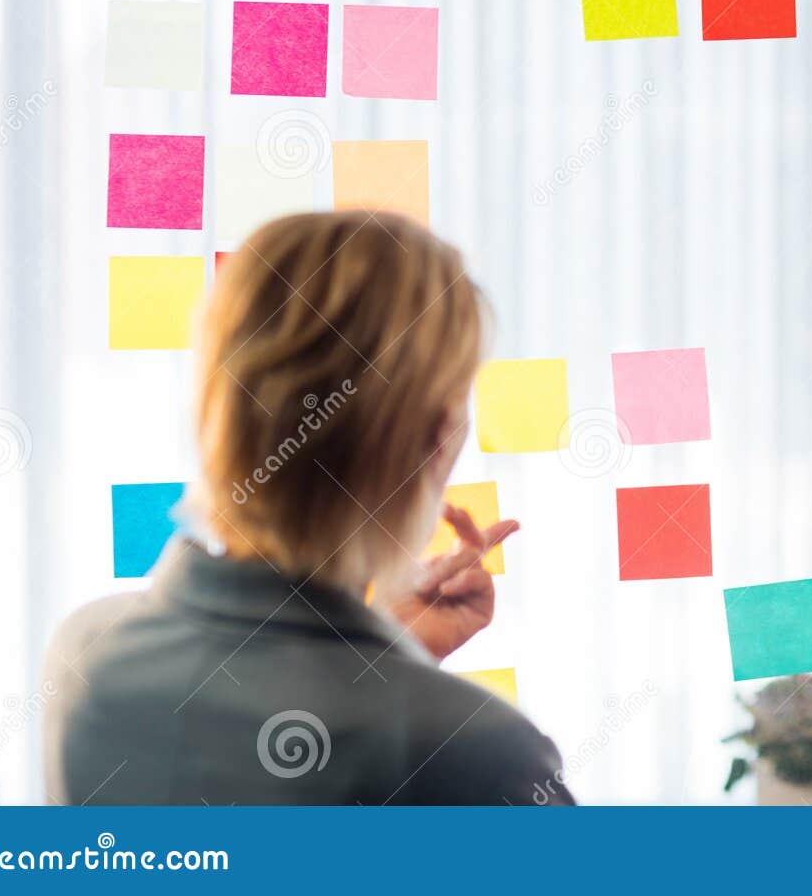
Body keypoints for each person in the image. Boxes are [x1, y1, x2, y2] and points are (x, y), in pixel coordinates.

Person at [44, 211, 570, 805]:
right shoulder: (481, 754)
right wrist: (386, 668)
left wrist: (383, 651)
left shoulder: (85, 654)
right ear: (437, 436)